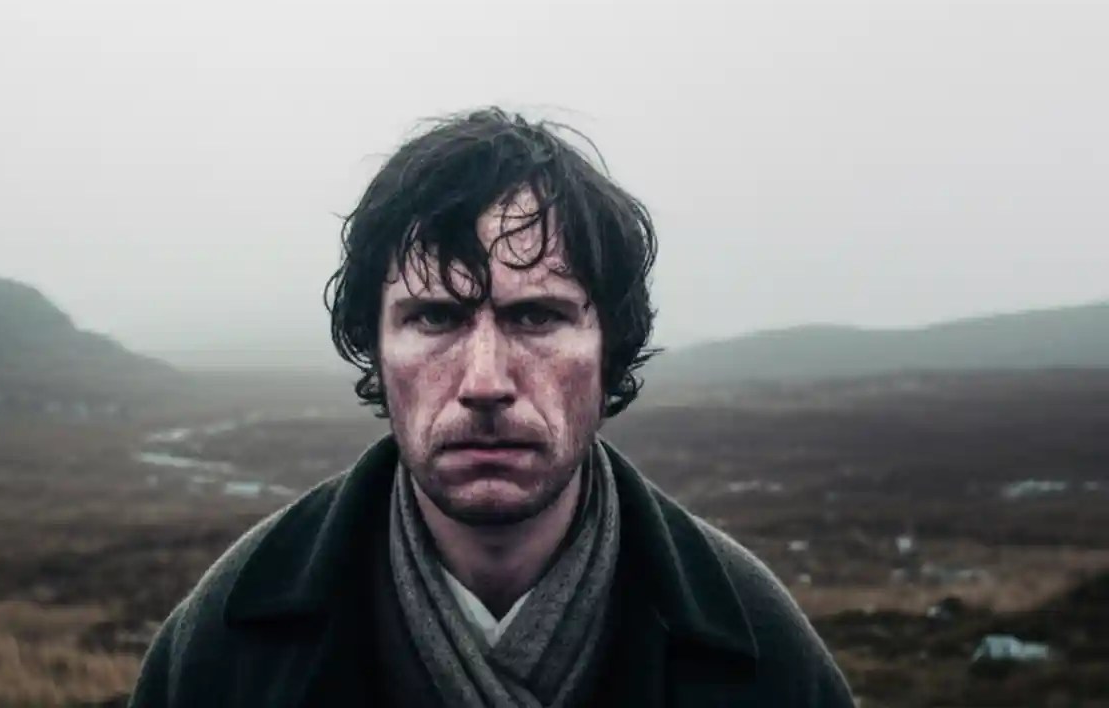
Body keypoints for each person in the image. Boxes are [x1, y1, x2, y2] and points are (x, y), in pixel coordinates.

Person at [128, 108, 856, 708]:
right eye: (435, 317)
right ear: (373, 346)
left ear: (610, 349)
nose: (484, 381)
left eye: (536, 317)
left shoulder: (761, 654)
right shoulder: (226, 647)